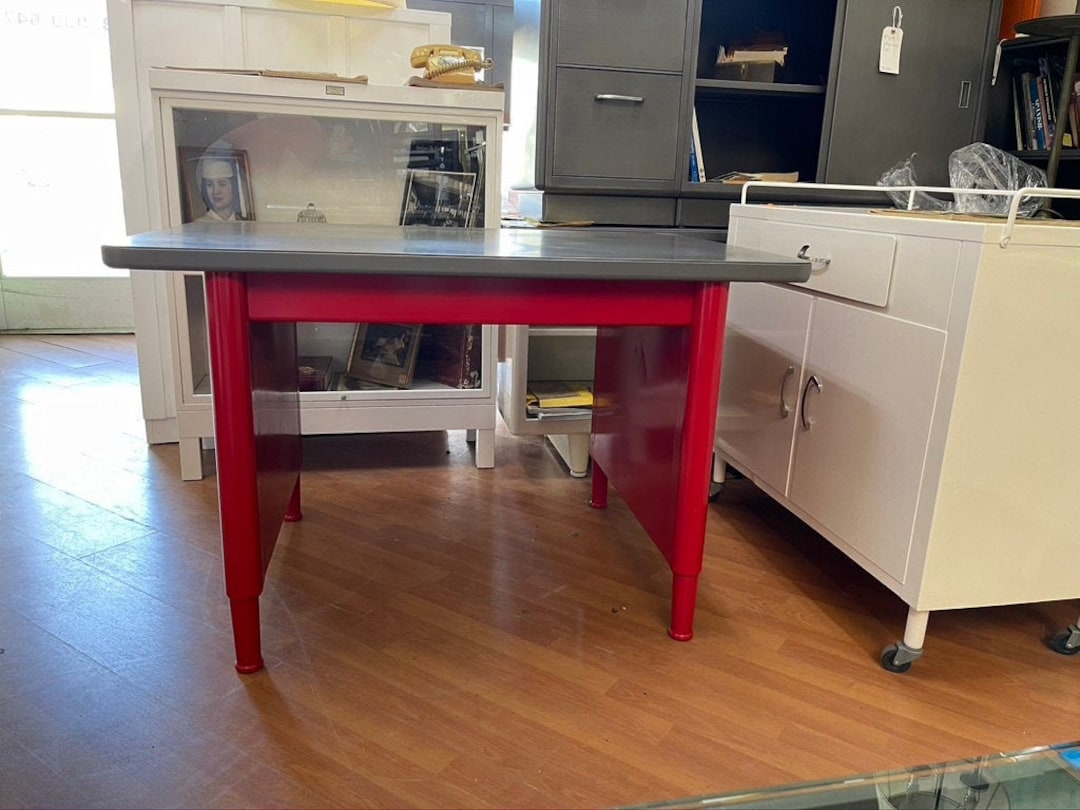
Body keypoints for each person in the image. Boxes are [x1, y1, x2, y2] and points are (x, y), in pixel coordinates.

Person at [195, 157, 246, 221]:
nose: (215, 192)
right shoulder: (199, 226)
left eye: (222, 184)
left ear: (234, 187)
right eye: (209, 185)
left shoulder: (243, 222)